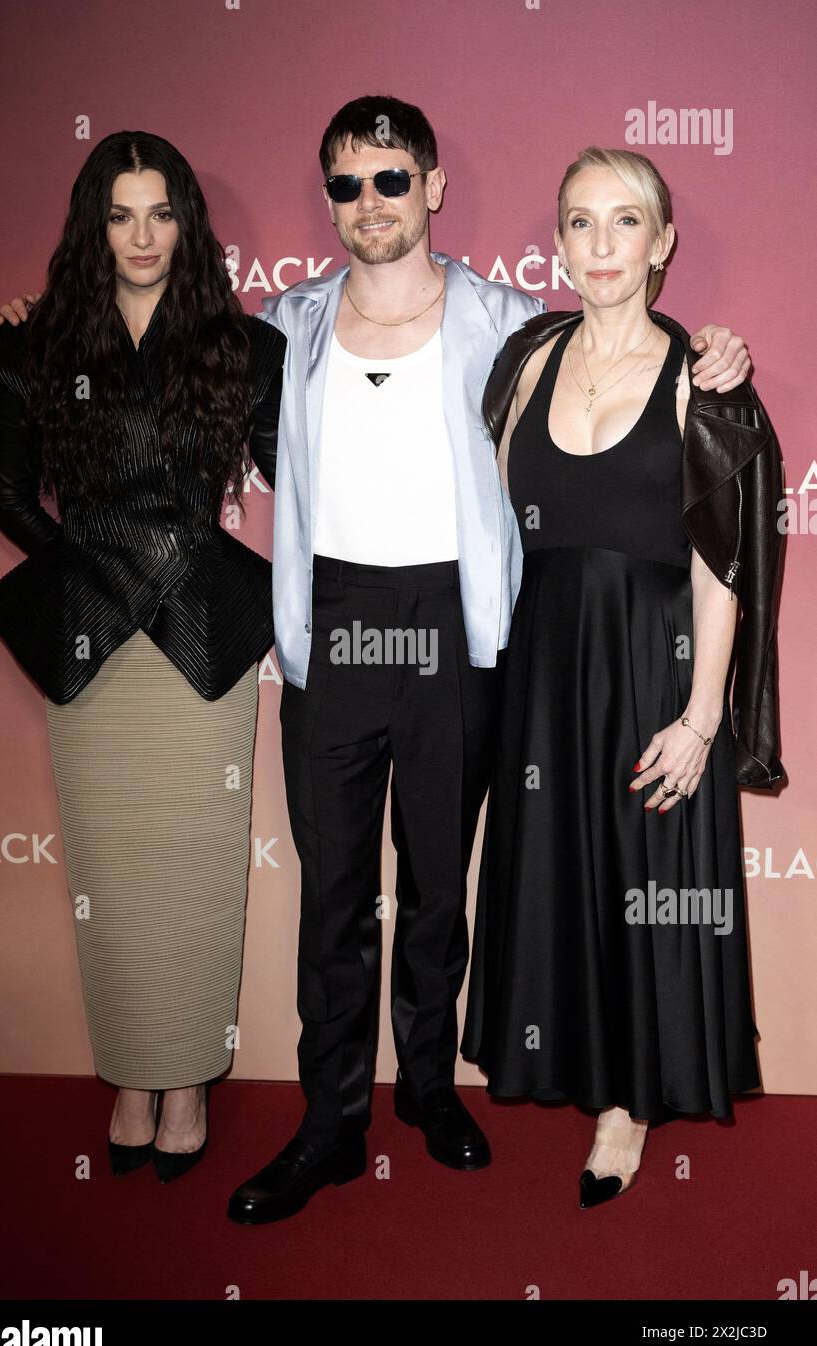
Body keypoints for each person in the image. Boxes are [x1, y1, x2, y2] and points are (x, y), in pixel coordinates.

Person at [222, 97, 753, 1225]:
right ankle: (329, 1124)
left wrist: (720, 347)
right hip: (332, 621)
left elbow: (653, 389)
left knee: (435, 887)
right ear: (329, 201)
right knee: (333, 892)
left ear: (432, 187)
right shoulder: (286, 323)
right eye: (346, 185)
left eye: (390, 179)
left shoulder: (505, 321)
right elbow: (167, 359)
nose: (370, 202)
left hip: (455, 623)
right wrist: (42, 325)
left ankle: (427, 1091)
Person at [460, 146, 785, 1207]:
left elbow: (721, 566)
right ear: (557, 241)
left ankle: (625, 1107)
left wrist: (700, 718)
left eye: (624, 222)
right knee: (565, 872)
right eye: (578, 222)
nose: (600, 245)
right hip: (544, 671)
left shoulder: (703, 379)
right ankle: (576, 1062)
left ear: (662, 242)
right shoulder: (522, 362)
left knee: (646, 882)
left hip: (655, 663)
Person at [0, 131, 285, 1182]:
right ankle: (131, 1073)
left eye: (160, 214)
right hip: (93, 640)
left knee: (195, 862)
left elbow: (302, 475)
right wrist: (101, 573)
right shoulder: (37, 345)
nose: (142, 235)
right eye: (121, 215)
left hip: (202, 633)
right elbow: (10, 498)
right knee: (111, 871)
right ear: (93, 227)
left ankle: (187, 1075)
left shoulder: (244, 348)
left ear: (186, 225)